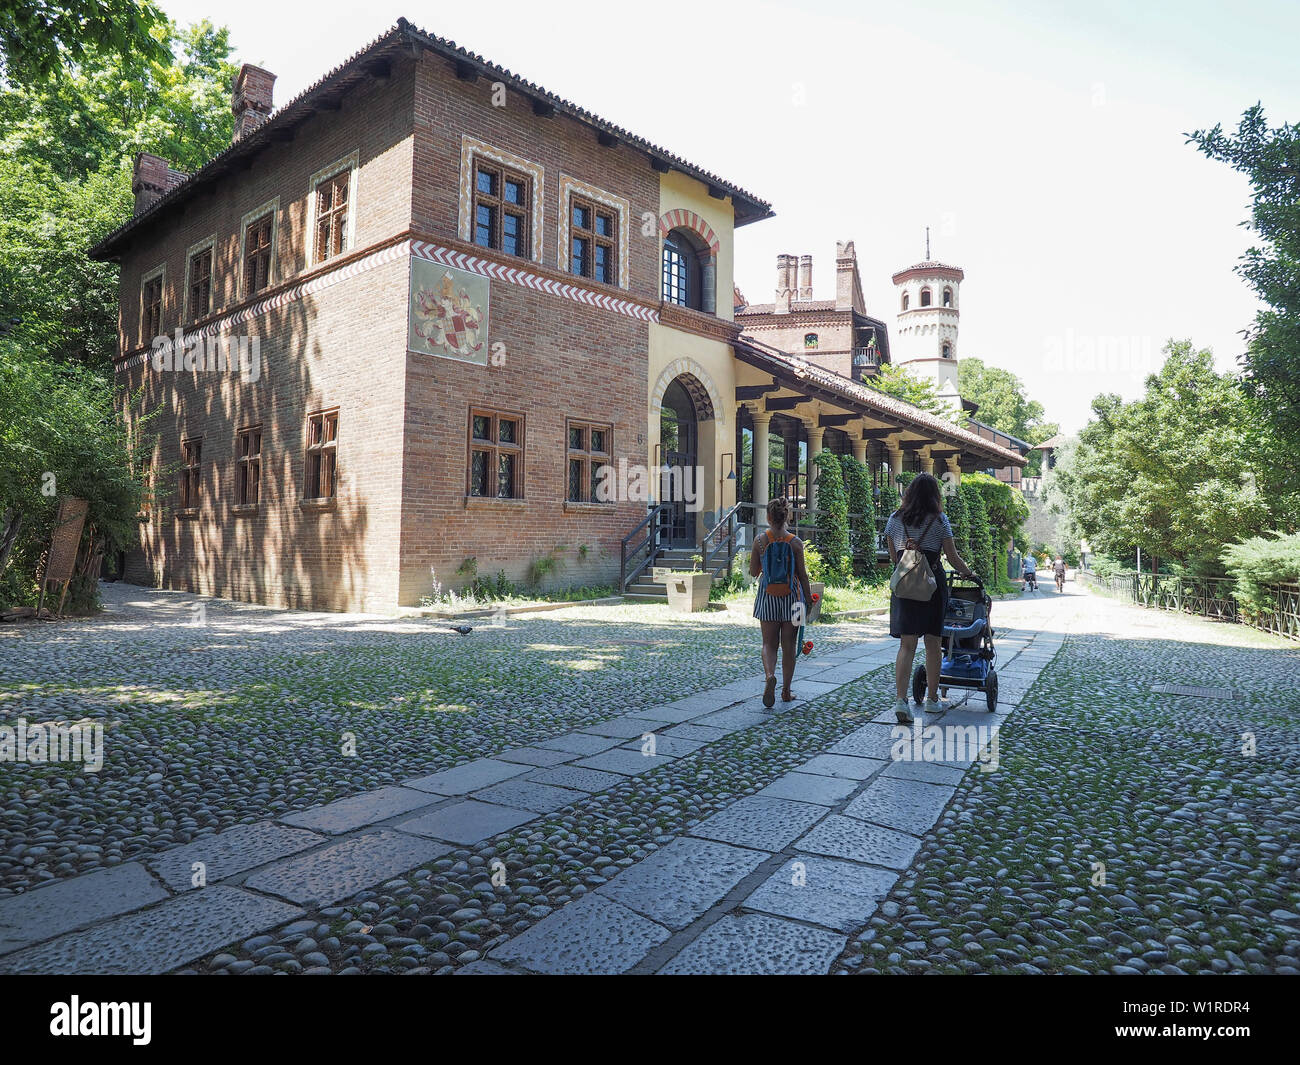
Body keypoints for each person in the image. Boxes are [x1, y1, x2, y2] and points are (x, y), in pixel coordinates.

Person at [884, 473, 978, 724]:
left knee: (906, 645)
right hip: (932, 586)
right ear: (935, 495)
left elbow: (894, 557)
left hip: (904, 586)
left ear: (910, 493)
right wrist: (969, 573)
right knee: (933, 644)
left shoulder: (894, 519)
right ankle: (933, 700)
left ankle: (901, 700)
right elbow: (952, 556)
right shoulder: (940, 520)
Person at [750, 496, 814, 708]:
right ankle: (786, 691)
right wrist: (808, 600)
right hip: (793, 598)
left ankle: (769, 676)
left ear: (768, 517)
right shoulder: (795, 543)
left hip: (767, 596)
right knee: (789, 645)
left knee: (769, 643)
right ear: (787, 517)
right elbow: (803, 575)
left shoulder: (759, 540)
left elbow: (753, 572)